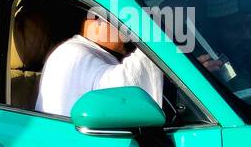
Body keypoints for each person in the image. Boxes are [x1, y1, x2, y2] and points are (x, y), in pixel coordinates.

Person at [36, 10, 164, 117]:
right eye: (120, 22)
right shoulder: (73, 54)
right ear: (95, 22)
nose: (128, 32)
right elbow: (122, 89)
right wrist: (156, 43)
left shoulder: (84, 51)